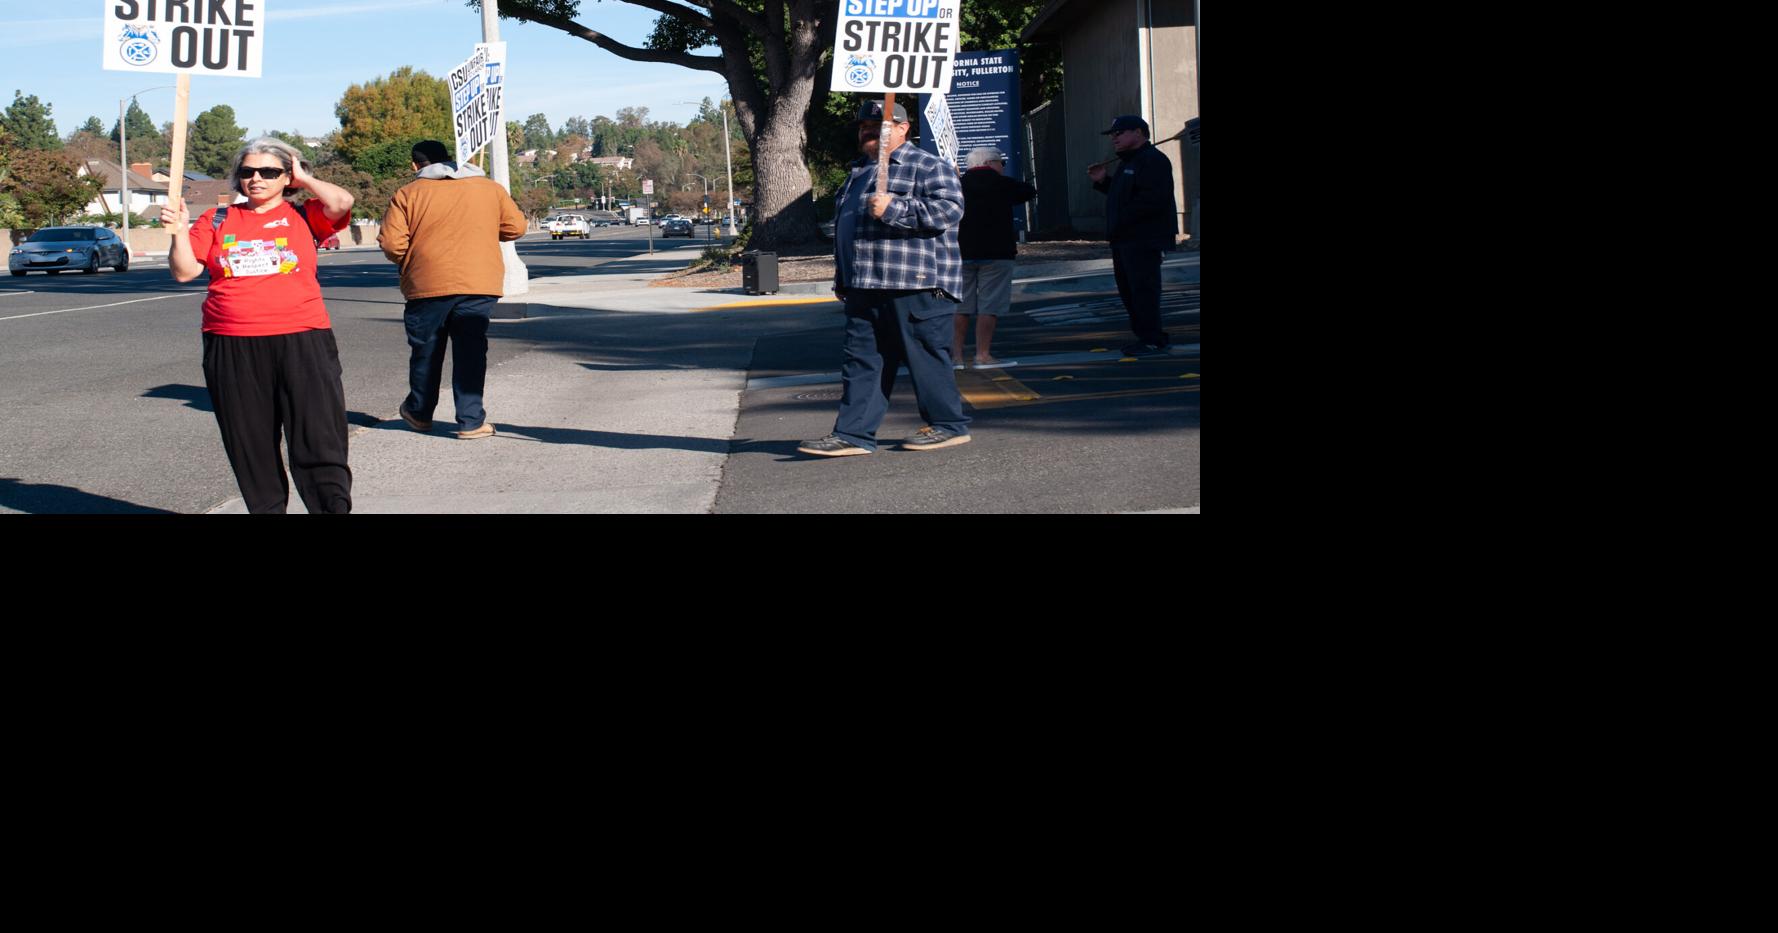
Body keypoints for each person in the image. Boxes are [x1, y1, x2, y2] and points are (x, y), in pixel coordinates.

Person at [162, 137, 355, 514]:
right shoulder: (217, 219)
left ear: (287, 177)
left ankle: (331, 508)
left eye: (269, 172)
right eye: (248, 172)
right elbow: (185, 271)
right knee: (249, 441)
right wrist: (179, 231)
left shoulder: (305, 214)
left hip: (302, 336)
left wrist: (304, 175)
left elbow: (342, 203)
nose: (256, 179)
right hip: (231, 342)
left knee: (318, 435)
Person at [798, 100, 970, 457]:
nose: (869, 130)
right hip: (865, 286)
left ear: (904, 129)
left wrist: (894, 208)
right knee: (862, 361)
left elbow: (949, 210)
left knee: (925, 358)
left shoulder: (928, 166)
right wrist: (844, 278)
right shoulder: (859, 171)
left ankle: (948, 425)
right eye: (864, 125)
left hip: (917, 284)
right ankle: (853, 434)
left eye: (880, 124)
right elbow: (852, 229)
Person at [379, 140, 527, 439]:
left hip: (426, 284)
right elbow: (516, 228)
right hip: (479, 283)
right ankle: (471, 421)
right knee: (471, 351)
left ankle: (419, 413)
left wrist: (411, 257)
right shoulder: (489, 189)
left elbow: (392, 244)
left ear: (415, 165)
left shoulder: (407, 194)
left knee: (427, 351)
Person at [1087, 115, 1179, 356]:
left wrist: (1123, 218)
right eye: (1112, 134)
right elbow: (1123, 195)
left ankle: (1153, 339)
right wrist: (1103, 182)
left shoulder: (1152, 160)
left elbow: (1153, 199)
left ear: (1138, 133)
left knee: (1143, 291)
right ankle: (1144, 336)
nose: (1114, 138)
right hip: (1124, 239)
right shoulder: (1128, 162)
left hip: (1143, 238)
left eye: (1120, 132)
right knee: (1129, 292)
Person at [955, 146, 1036, 370]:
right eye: (1001, 162)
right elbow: (1029, 191)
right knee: (989, 305)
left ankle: (956, 356)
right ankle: (983, 354)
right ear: (991, 163)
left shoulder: (958, 185)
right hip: (997, 252)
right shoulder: (1004, 185)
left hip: (962, 252)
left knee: (960, 306)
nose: (1003, 167)